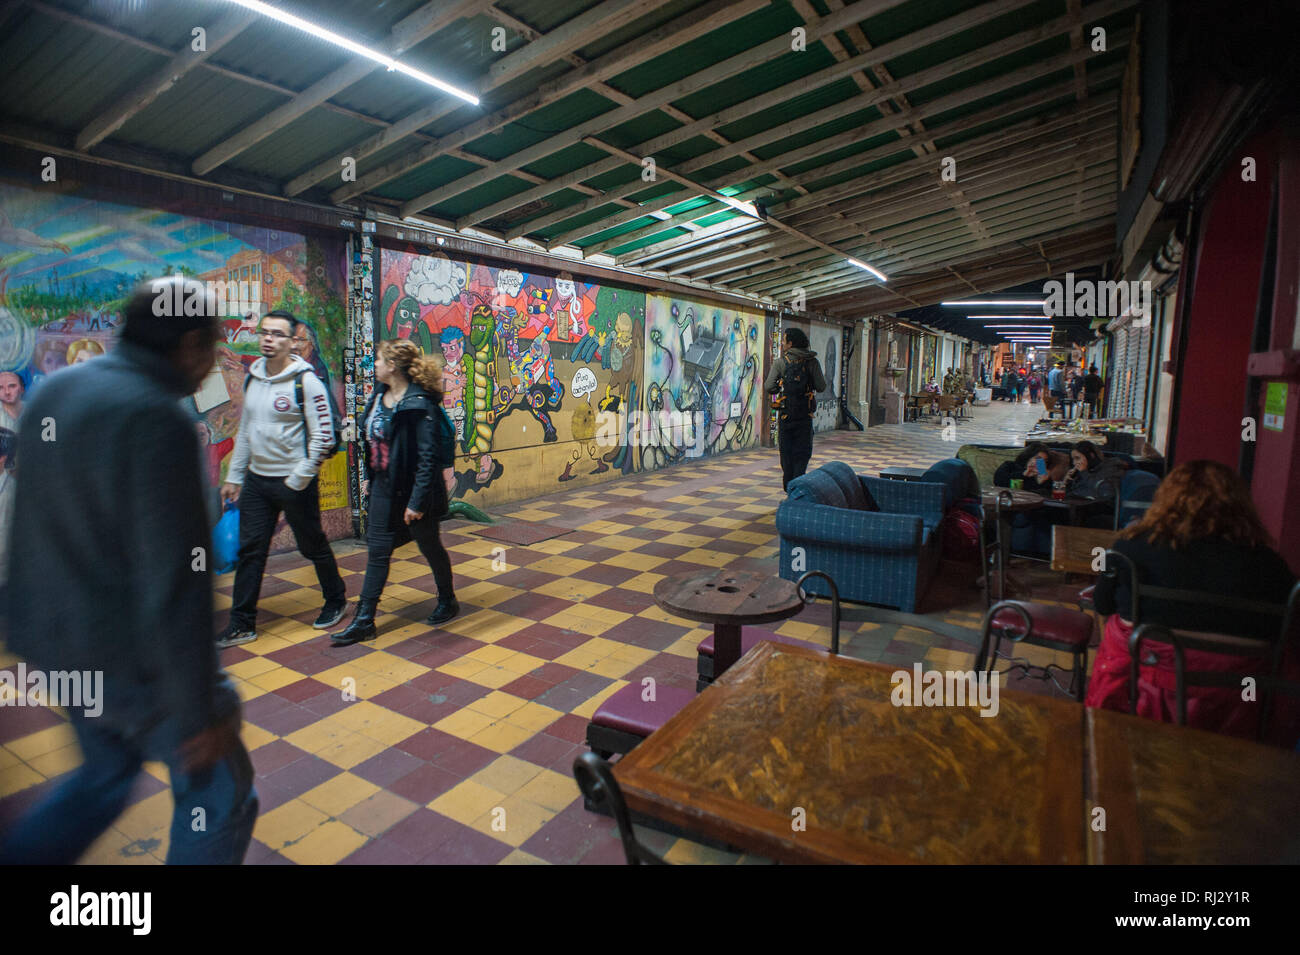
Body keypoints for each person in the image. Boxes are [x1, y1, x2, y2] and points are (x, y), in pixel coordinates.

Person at [0, 277, 257, 864]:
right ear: (190, 343)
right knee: (220, 797)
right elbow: (175, 585)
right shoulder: (156, 419)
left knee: (103, 777)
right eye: (214, 346)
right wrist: (198, 714)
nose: (215, 360)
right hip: (131, 662)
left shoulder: (56, 392)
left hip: (56, 650)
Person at [1086, 461, 1299, 746]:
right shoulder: (1271, 566)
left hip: (1145, 688)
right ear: (1240, 505)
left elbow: (1102, 604)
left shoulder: (1131, 547)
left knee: (1119, 630)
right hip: (1239, 706)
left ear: (1166, 499)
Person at [217, 309, 346, 648]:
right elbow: (246, 430)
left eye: (277, 334)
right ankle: (242, 623)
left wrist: (298, 480)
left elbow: (323, 438)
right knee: (250, 551)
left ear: (291, 342)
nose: (268, 339)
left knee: (311, 544)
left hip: (294, 482)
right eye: (264, 333)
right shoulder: (254, 377)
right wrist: (235, 476)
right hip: (258, 481)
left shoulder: (308, 382)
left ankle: (336, 599)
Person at [332, 340, 459, 645]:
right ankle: (365, 621)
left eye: (378, 360)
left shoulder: (420, 403)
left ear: (393, 366)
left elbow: (427, 458)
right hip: (383, 488)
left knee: (430, 547)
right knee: (377, 552)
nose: (373, 365)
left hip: (415, 491)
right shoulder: (379, 395)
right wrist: (371, 475)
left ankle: (448, 599)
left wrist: (416, 502)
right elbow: (372, 440)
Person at [765, 327, 827, 491]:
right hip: (805, 416)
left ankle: (789, 487)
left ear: (790, 343)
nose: (783, 344)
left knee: (787, 455)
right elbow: (821, 386)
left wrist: (782, 388)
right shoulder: (812, 361)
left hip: (786, 416)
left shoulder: (781, 362)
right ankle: (798, 489)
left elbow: (769, 386)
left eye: (784, 340)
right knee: (802, 454)